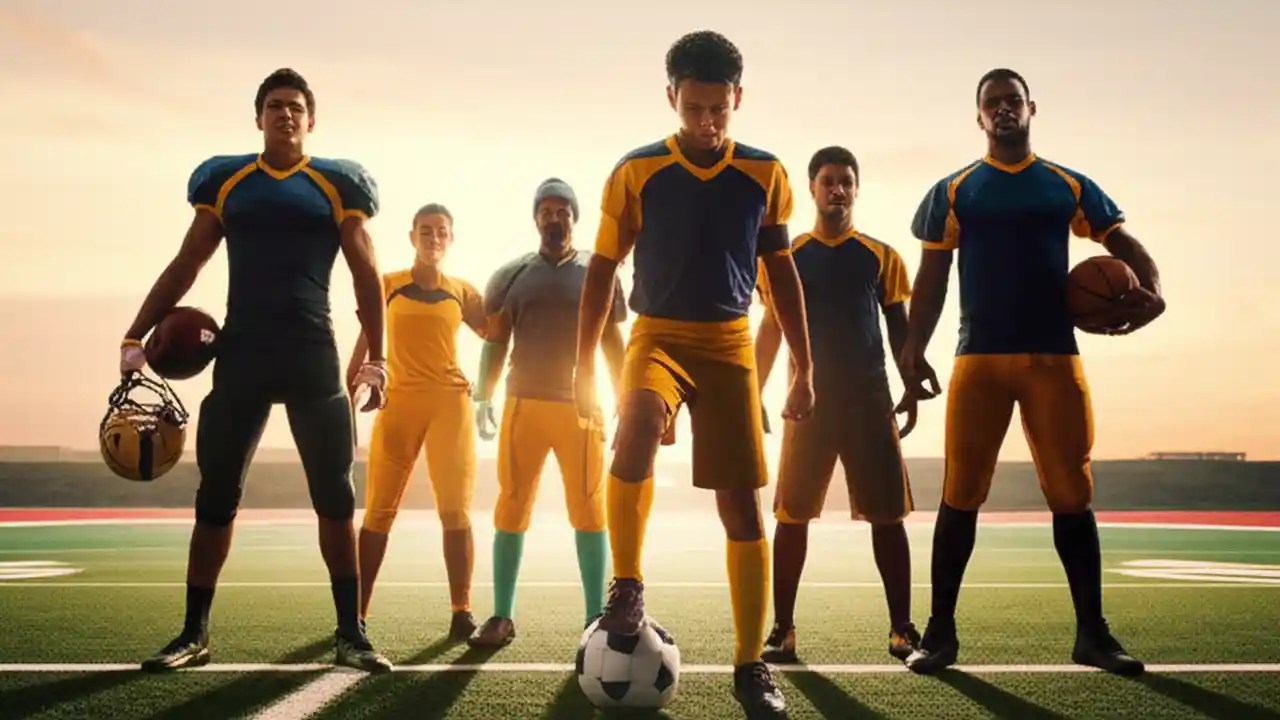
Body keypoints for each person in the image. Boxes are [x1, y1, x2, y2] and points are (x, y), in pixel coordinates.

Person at [574, 30, 813, 719]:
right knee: (637, 426)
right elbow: (601, 272)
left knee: (741, 505)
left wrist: (804, 362)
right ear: (670, 96)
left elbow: (782, 270)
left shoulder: (765, 172)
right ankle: (626, 585)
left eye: (719, 109)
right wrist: (579, 361)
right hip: (658, 336)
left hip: (731, 344)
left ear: (738, 99)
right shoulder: (636, 171)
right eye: (693, 107)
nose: (706, 121)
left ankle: (750, 665)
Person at [121, 68, 392, 672]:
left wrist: (377, 357)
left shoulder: (335, 183)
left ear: (311, 120)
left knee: (335, 499)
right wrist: (135, 333)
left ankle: (351, 632)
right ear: (258, 117)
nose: (285, 115)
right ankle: (194, 633)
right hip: (243, 350)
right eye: (274, 106)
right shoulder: (229, 181)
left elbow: (366, 274)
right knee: (215, 498)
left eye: (296, 107)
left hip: (310, 352)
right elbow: (187, 262)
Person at [899, 68, 1165, 676]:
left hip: (1054, 359)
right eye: (992, 103)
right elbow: (932, 278)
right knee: (960, 494)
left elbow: (1123, 243)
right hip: (980, 362)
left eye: (1012, 100)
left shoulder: (1065, 185)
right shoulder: (955, 189)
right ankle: (940, 634)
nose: (1003, 110)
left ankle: (1092, 634)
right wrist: (913, 351)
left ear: (1031, 108)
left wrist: (1154, 290)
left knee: (1072, 495)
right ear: (979, 117)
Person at [755, 146, 920, 665]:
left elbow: (901, 332)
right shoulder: (788, 257)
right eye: (828, 180)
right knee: (791, 516)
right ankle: (783, 630)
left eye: (846, 181)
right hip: (808, 406)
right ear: (812, 188)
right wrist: (752, 393)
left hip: (870, 402)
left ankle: (901, 630)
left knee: (889, 518)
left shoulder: (881, 256)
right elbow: (769, 329)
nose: (837, 189)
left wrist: (911, 383)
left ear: (856, 188)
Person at [466, 179, 628, 648]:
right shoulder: (512, 274)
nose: (554, 218)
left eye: (563, 211)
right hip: (523, 404)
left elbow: (614, 341)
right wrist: (483, 395)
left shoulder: (599, 272)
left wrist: (625, 392)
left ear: (575, 217)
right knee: (511, 505)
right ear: (535, 217)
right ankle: (501, 616)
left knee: (589, 510)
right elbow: (496, 340)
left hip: (580, 407)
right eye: (547, 211)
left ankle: (595, 618)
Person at [348, 203, 488, 643]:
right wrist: (347, 390)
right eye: (425, 231)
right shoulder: (386, 285)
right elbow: (367, 340)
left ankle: (462, 611)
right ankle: (356, 614)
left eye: (441, 231)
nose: (433, 238)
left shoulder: (462, 291)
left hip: (450, 405)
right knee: (379, 510)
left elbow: (500, 333)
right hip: (398, 402)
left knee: (456, 510)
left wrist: (487, 388)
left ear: (451, 238)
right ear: (412, 237)